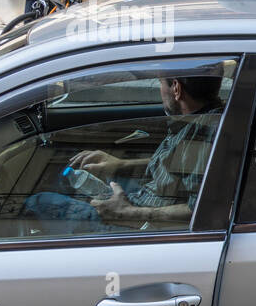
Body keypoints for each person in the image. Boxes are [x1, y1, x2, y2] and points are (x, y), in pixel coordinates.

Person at [24, 75, 226, 233]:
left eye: (160, 83)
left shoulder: (205, 134)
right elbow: (180, 165)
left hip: (143, 223)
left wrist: (127, 213)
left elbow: (203, 209)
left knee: (39, 202)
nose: (160, 90)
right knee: (65, 179)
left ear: (176, 88)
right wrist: (121, 164)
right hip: (148, 197)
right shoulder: (202, 118)